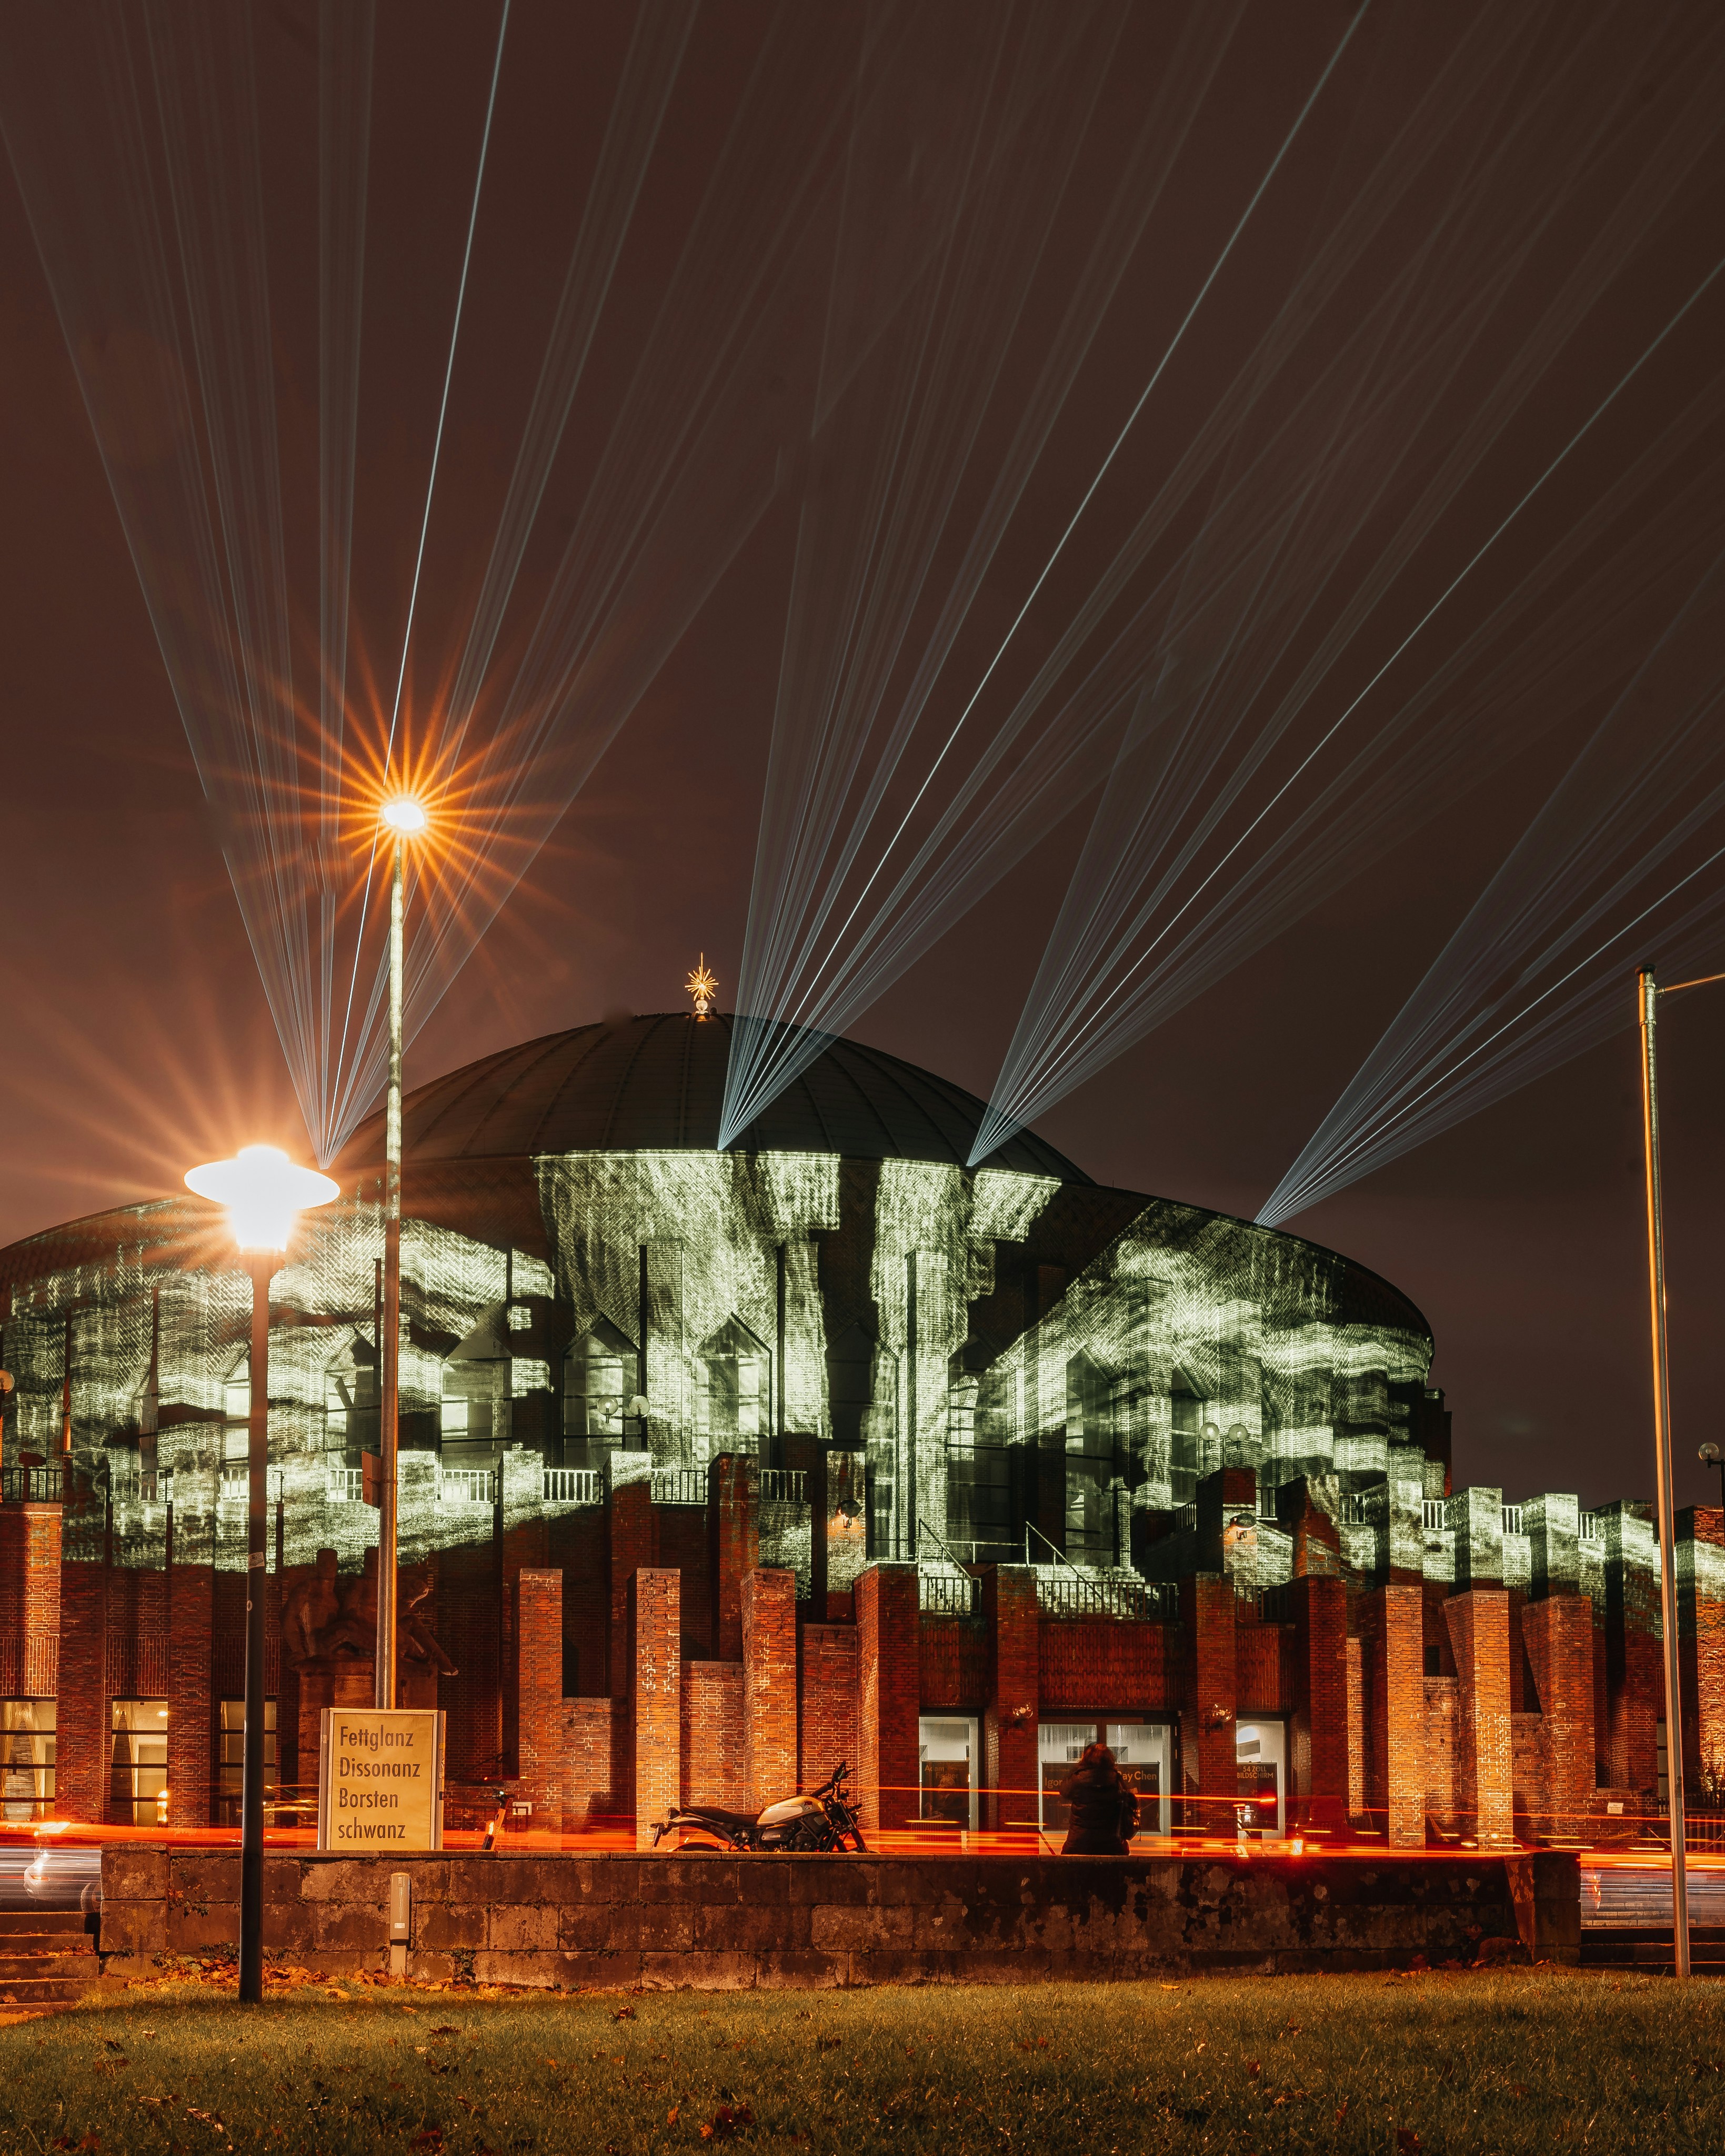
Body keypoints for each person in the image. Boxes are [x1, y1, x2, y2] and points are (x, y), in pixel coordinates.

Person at [1058, 1741, 1139, 1854]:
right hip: (1112, 1845)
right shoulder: (1116, 1780)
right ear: (1110, 1760)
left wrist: (1077, 1768)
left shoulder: (1077, 1779)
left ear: (1086, 1759)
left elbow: (1064, 1790)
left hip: (1079, 1843)